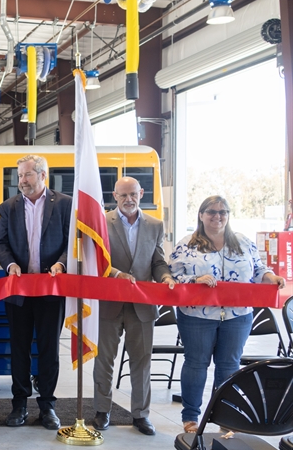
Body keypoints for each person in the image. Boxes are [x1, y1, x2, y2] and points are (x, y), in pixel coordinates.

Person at [169, 195, 284, 433]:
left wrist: (271, 277)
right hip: (196, 316)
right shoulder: (186, 245)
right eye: (212, 212)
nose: (217, 216)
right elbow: (172, 276)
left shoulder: (243, 242)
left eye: (223, 212)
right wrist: (195, 279)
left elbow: (258, 269)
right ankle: (191, 417)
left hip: (237, 315)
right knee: (196, 364)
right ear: (201, 215)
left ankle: (226, 417)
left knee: (229, 366)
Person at [92, 177, 176, 436]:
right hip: (109, 303)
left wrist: (165, 277)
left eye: (133, 194)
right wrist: (117, 274)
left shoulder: (155, 225)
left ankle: (141, 415)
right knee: (104, 360)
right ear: (114, 196)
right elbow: (96, 260)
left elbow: (157, 261)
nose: (129, 199)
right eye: (123, 195)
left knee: (141, 362)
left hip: (142, 305)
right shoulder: (101, 221)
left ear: (141, 193)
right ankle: (102, 411)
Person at [0, 154, 72, 431]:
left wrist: (61, 264)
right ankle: (19, 404)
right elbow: (1, 243)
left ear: (42, 175)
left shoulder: (64, 204)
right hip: (19, 291)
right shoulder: (9, 207)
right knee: (19, 349)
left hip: (51, 290)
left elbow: (71, 243)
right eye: (19, 176)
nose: (22, 181)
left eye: (27, 174)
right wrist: (10, 265)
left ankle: (47, 406)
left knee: (49, 349)